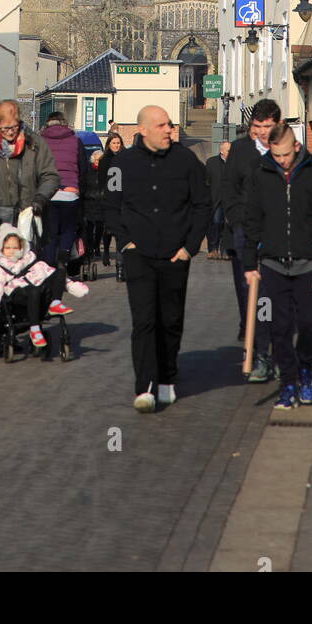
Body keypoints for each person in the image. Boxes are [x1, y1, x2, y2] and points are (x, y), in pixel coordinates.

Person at [104, 105, 210, 412]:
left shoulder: (186, 160)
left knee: (171, 319)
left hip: (176, 255)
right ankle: (145, 387)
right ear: (143, 130)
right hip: (139, 255)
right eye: (162, 125)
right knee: (144, 320)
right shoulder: (120, 164)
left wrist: (189, 247)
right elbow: (110, 206)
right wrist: (125, 243)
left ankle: (167, 378)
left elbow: (202, 204)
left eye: (171, 125)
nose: (169, 130)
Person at [242, 123, 312, 410]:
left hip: (306, 263)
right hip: (271, 264)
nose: (282, 160)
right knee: (279, 328)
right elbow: (252, 220)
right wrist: (250, 262)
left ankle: (305, 372)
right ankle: (287, 382)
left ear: (296, 147)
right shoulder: (261, 174)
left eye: (285, 154)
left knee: (309, 323)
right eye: (276, 155)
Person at [221, 100, 281, 381]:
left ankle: (275, 354)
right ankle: (258, 353)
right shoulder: (241, 150)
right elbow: (229, 189)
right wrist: (236, 223)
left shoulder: (288, 148)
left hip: (277, 235)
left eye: (266, 127)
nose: (261, 132)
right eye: (256, 127)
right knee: (250, 298)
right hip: (244, 235)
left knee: (275, 297)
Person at [0, 224, 87, 350]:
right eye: (7, 248)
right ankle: (35, 329)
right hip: (16, 297)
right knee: (34, 290)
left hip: (38, 296)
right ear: (1, 249)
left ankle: (55, 303)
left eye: (15, 247)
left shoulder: (31, 261)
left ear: (21, 247)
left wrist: (71, 286)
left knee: (59, 271)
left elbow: (48, 272)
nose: (11, 251)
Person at [0, 100, 61, 233]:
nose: (10, 132)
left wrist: (41, 198)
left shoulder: (34, 144)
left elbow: (50, 175)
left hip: (28, 216)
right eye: (5, 128)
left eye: (14, 127)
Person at [38, 111, 91, 267]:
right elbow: (83, 169)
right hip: (70, 192)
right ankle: (64, 254)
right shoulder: (76, 141)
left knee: (49, 231)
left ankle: (49, 264)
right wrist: (79, 189)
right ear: (64, 123)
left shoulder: (40, 141)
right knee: (69, 228)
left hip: (48, 192)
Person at [99, 131, 124, 271]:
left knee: (121, 228)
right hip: (108, 197)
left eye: (118, 143)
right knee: (108, 228)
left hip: (122, 198)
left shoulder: (125, 158)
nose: (116, 145)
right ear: (109, 144)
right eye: (114, 143)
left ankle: (121, 260)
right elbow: (102, 180)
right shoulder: (104, 160)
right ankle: (106, 251)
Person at [204, 141, 230, 259]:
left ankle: (225, 250)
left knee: (228, 225)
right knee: (215, 223)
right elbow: (206, 182)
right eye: (229, 150)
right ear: (222, 151)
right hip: (215, 200)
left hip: (230, 201)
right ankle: (213, 249)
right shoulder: (211, 162)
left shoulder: (235, 163)